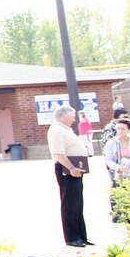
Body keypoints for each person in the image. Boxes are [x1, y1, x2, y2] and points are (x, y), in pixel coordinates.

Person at [47, 105, 91, 248]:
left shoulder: (65, 129)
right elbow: (58, 153)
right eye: (72, 116)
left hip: (75, 169)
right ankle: (72, 237)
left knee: (78, 203)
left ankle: (81, 236)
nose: (74, 119)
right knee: (70, 204)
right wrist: (71, 167)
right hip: (67, 169)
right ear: (63, 116)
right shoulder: (56, 130)